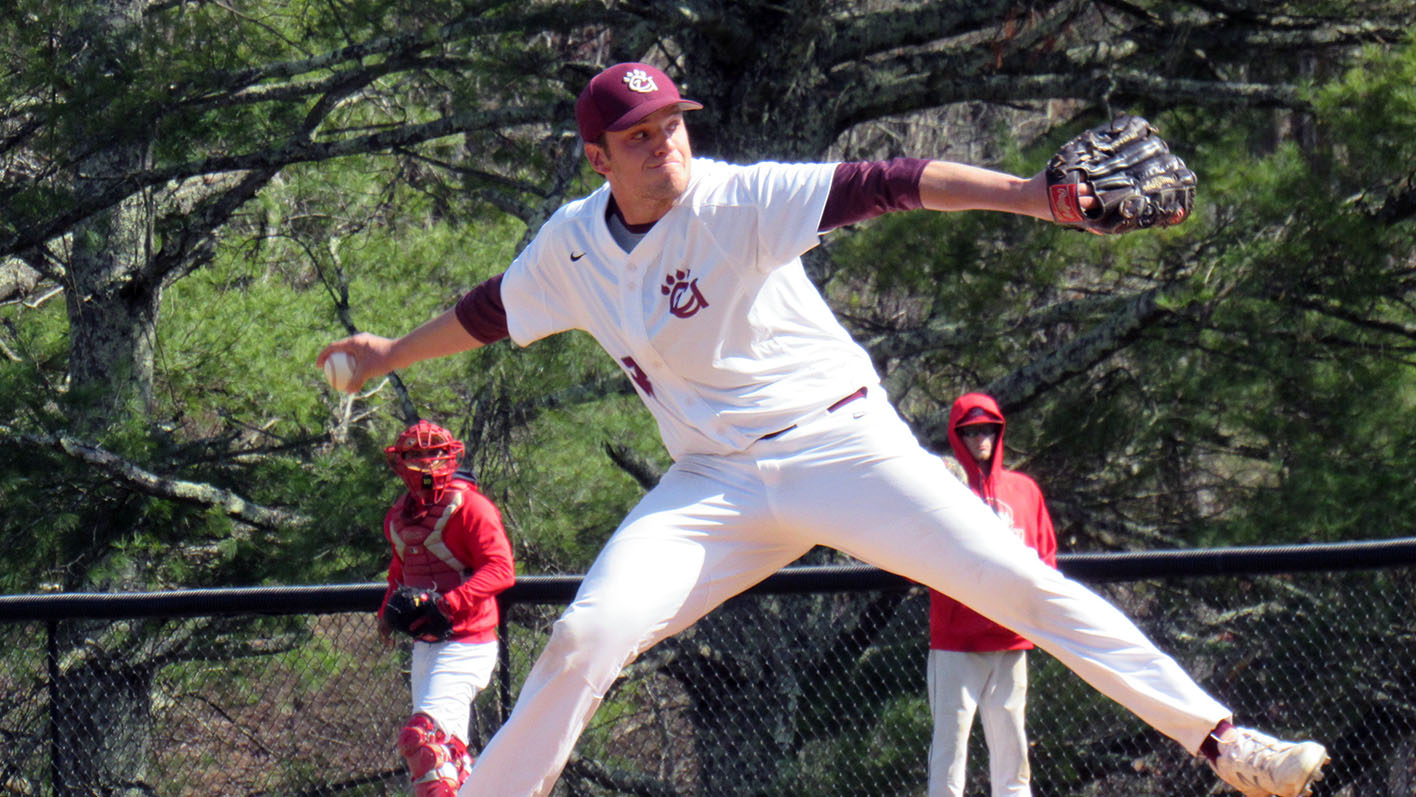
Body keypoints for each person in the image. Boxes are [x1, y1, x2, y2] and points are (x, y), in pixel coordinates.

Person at [318, 62, 1329, 797]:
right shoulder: (573, 244)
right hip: (713, 482)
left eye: (671, 122)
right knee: (586, 632)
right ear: (597, 155)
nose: (664, 141)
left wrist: (1035, 199)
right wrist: (386, 357)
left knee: (1024, 583)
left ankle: (1226, 740)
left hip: (846, 448)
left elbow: (891, 181)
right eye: (638, 134)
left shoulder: (736, 198)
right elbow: (492, 308)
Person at [928, 394, 1057, 797]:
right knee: (949, 754)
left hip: (1010, 637)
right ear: (957, 435)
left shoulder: (1024, 491)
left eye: (987, 429)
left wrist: (1036, 613)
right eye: (970, 431)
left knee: (1013, 755)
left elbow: (1046, 556)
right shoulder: (942, 489)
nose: (980, 438)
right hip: (957, 641)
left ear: (998, 432)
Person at [377, 420, 515, 797]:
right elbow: (399, 571)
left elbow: (501, 569)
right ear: (399, 463)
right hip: (427, 644)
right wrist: (386, 613)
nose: (425, 463)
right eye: (415, 455)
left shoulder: (470, 507)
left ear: (450, 457)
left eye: (433, 454)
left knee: (421, 739)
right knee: (446, 757)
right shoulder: (398, 516)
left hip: (467, 642)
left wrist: (450, 604)